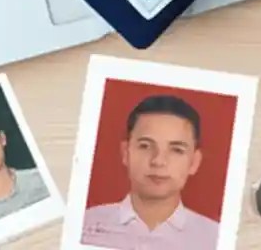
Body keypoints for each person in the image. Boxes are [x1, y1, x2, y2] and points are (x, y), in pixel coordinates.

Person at [82, 94, 220, 249]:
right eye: (145, 146)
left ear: (194, 162)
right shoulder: (84, 225)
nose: (158, 161)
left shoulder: (215, 238)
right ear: (126, 153)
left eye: (176, 150)